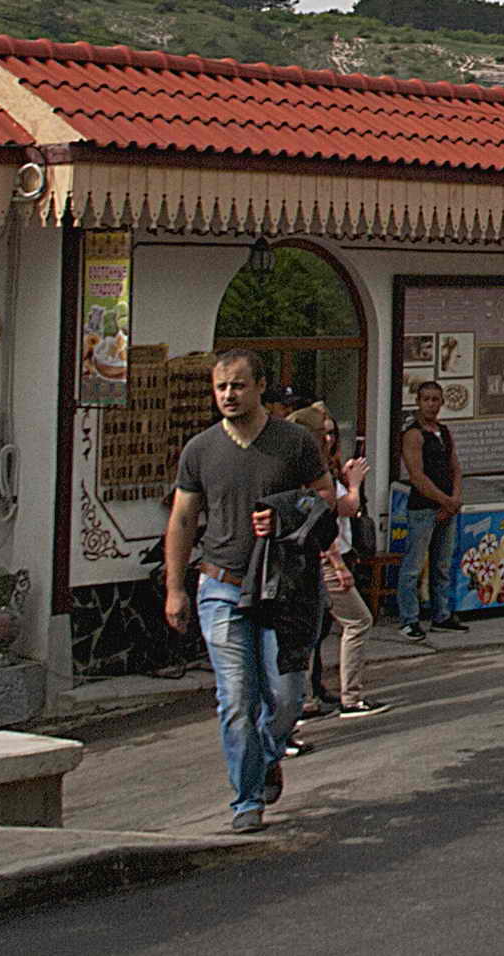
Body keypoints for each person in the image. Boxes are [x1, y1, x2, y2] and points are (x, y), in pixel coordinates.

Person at [164, 349, 335, 832]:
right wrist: (175, 588)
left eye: (238, 386)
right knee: (235, 697)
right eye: (220, 387)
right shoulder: (200, 449)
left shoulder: (295, 442)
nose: (228, 396)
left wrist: (285, 511)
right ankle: (246, 801)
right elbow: (181, 519)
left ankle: (266, 752)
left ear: (260, 386)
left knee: (285, 697)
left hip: (285, 589)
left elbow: (327, 500)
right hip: (221, 586)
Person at [289, 404, 386, 723]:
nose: (330, 438)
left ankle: (310, 696)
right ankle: (349, 698)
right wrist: (354, 484)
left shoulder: (318, 467)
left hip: (331, 556)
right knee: (358, 621)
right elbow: (331, 513)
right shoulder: (307, 471)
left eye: (332, 432)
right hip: (324, 558)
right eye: (324, 432)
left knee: (314, 632)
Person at [395, 379, 465, 644]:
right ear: (418, 402)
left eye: (436, 400)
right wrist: (443, 501)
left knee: (442, 564)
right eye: (427, 399)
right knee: (413, 566)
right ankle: (409, 619)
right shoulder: (413, 434)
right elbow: (417, 476)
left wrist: (455, 499)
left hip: (447, 508)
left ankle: (441, 614)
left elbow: (455, 467)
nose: (432, 405)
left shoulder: (444, 432)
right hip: (423, 508)